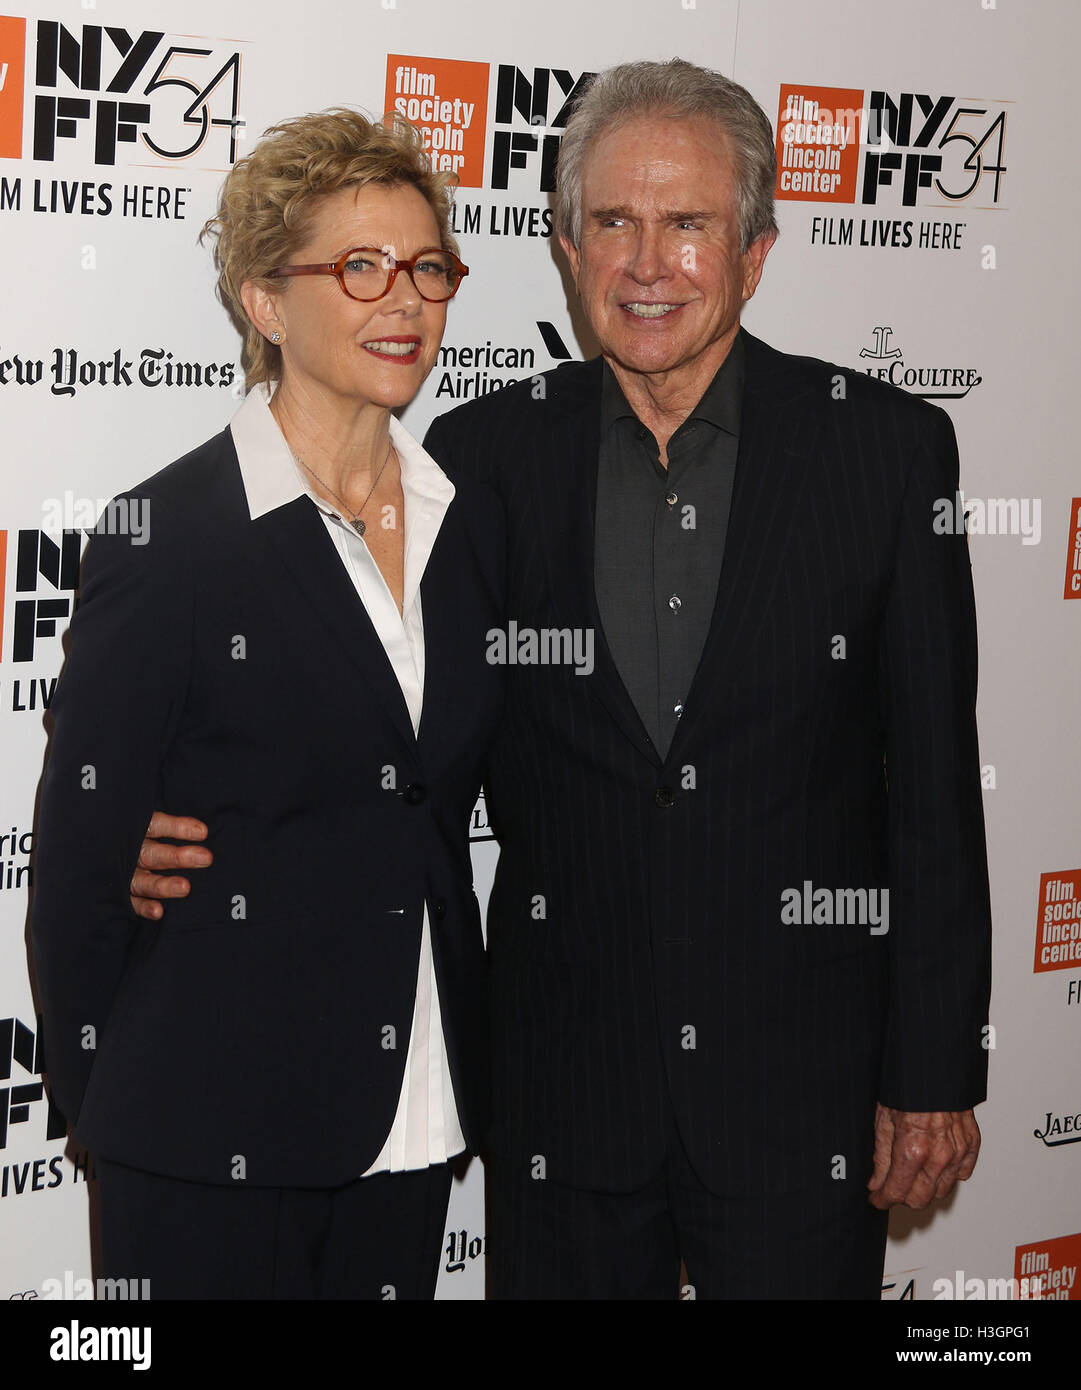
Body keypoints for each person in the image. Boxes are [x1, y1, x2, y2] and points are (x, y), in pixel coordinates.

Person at [133, 60, 992, 1300]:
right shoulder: (476, 460)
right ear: (563, 244)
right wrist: (169, 829)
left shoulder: (886, 448)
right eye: (612, 222)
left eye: (687, 224)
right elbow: (402, 744)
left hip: (799, 1091)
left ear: (753, 253)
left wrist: (932, 1067)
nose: (647, 262)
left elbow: (932, 793)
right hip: (562, 1098)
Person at [30, 107, 504, 1299]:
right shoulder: (173, 540)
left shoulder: (469, 525)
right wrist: (118, 1120)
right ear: (264, 303)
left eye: (427, 267)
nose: (406, 300)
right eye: (360, 267)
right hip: (200, 1142)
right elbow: (80, 876)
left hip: (409, 1121)